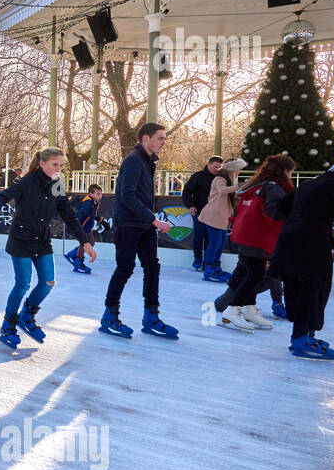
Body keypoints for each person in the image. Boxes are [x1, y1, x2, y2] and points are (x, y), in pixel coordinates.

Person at [0, 147, 96, 347]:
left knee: (48, 282)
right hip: (21, 241)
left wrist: (84, 241)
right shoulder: (27, 182)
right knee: (23, 284)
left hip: (42, 241)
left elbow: (68, 216)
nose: (58, 169)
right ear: (42, 164)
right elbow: (2, 195)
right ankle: (8, 326)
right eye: (55, 165)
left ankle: (27, 315)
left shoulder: (57, 186)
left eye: (61, 165)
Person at [269, 161, 334, 359]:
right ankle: (302, 339)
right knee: (314, 288)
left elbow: (282, 205)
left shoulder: (310, 184)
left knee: (296, 287)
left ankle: (301, 336)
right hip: (312, 246)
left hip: (288, 241)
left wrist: (301, 220)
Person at [100, 123, 178, 339]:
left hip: (143, 224)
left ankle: (151, 316)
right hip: (128, 224)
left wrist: (149, 220)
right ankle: (110, 315)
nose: (163, 142)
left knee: (152, 267)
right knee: (125, 268)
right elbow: (128, 195)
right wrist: (153, 219)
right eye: (160, 138)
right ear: (146, 138)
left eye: (164, 138)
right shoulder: (134, 161)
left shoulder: (148, 161)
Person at [213, 154, 294, 332]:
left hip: (243, 236)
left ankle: (249, 309)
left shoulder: (258, 186)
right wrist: (289, 220)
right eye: (290, 172)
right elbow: (273, 212)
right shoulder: (273, 189)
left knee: (253, 273)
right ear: (284, 171)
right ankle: (233, 310)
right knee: (256, 275)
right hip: (255, 238)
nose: (290, 176)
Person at [194, 158, 244, 283]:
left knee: (221, 243)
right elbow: (222, 191)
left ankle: (215, 267)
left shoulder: (229, 180)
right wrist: (239, 186)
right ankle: (209, 269)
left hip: (221, 217)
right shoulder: (219, 179)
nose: (240, 171)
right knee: (215, 242)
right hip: (213, 215)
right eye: (238, 169)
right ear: (232, 169)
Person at [181, 156, 223, 272]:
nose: (217, 169)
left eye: (219, 167)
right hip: (199, 211)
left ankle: (208, 262)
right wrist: (190, 206)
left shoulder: (220, 177)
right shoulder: (198, 176)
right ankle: (197, 258)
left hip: (215, 213)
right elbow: (186, 192)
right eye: (215, 167)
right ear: (208, 164)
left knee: (211, 238)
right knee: (199, 236)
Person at [66, 184, 103, 273]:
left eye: (101, 194)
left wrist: (102, 221)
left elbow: (93, 214)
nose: (100, 196)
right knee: (85, 245)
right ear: (91, 194)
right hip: (82, 228)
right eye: (97, 194)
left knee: (91, 243)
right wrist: (74, 225)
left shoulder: (94, 201)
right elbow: (79, 213)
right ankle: (78, 263)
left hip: (87, 228)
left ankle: (72, 254)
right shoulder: (87, 203)